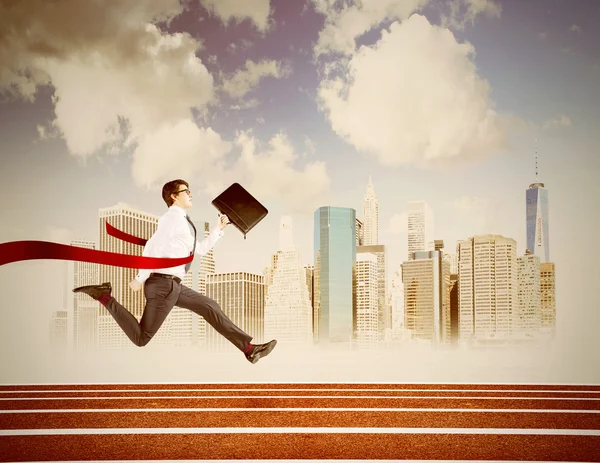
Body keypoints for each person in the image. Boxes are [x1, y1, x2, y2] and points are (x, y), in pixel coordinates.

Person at [73, 179, 277, 364]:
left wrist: (219, 228)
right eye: (186, 190)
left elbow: (199, 249)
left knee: (209, 306)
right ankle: (104, 297)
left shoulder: (182, 221)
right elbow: (153, 246)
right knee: (141, 338)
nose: (191, 194)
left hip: (173, 286)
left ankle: (249, 349)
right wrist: (140, 277)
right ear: (174, 196)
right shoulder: (172, 218)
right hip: (162, 286)